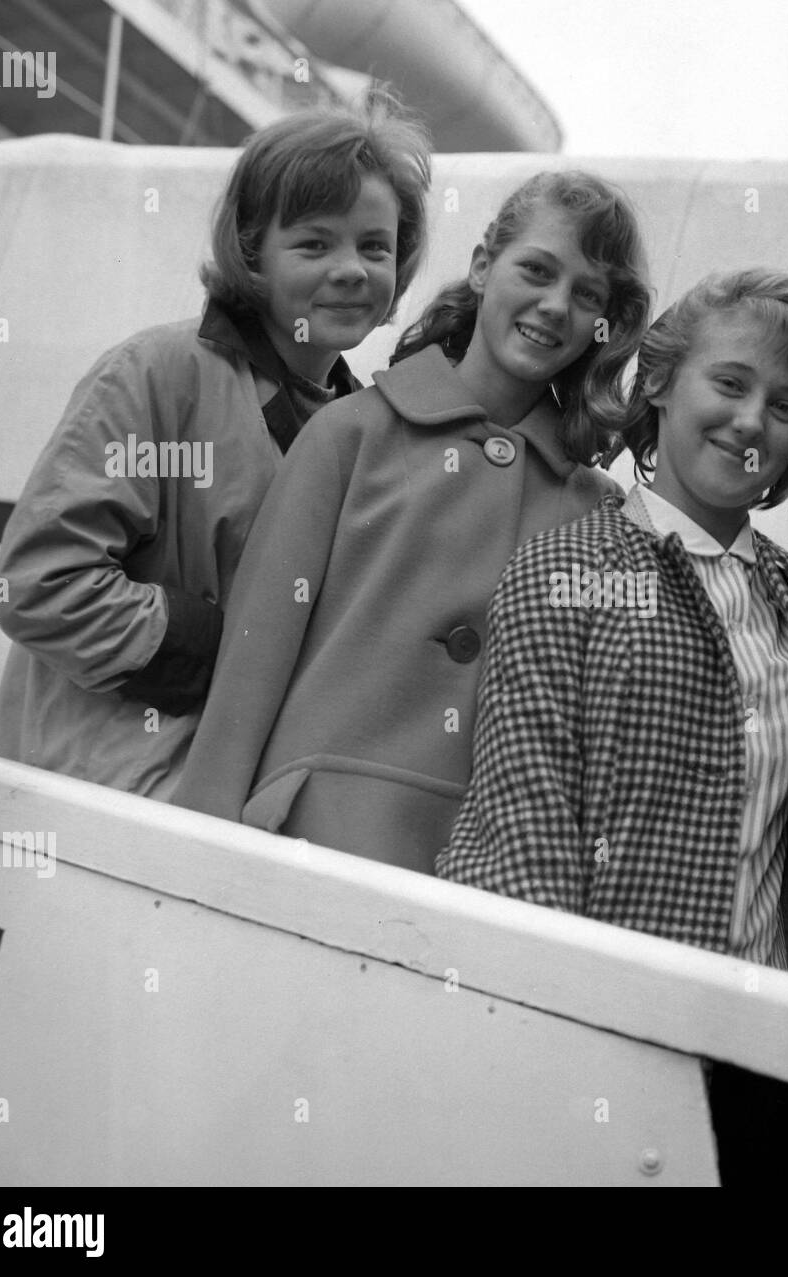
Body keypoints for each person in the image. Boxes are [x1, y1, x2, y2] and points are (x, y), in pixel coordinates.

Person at [437, 269, 788, 1185]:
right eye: (730, 383)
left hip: (768, 1058)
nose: (752, 421)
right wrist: (563, 1043)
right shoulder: (567, 567)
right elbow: (522, 826)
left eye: (786, 405)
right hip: (605, 1043)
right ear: (663, 383)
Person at [173, 171, 650, 875]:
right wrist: (195, 860)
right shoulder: (350, 434)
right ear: (483, 265)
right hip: (307, 844)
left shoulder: (597, 510)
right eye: (537, 270)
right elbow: (251, 664)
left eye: (587, 295)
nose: (555, 306)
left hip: (484, 874)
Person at [0, 91, 431, 798]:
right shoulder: (158, 372)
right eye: (315, 243)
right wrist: (240, 655)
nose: (352, 268)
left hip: (234, 810)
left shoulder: (366, 426)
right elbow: (42, 585)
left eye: (375, 245)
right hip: (99, 808)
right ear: (251, 253)